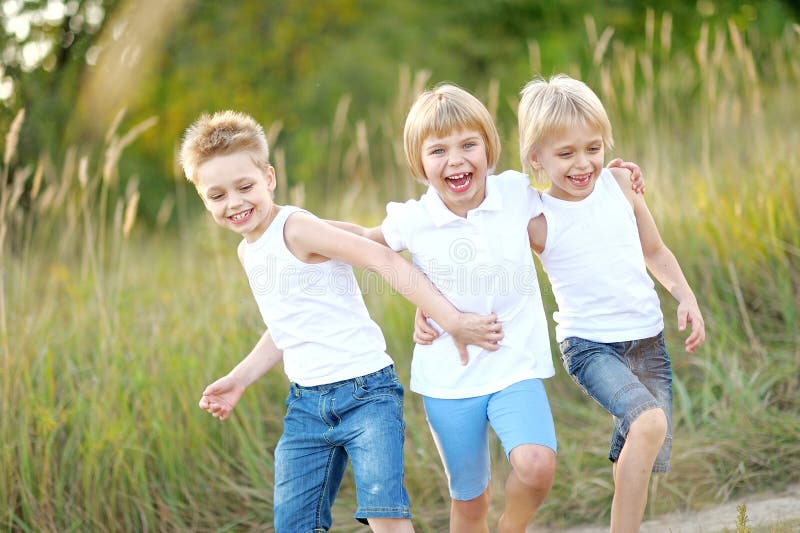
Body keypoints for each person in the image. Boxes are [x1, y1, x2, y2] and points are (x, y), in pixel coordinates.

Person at [334, 84, 643, 533]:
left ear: (489, 149)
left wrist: (616, 176)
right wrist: (294, 225)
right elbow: (365, 239)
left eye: (468, 145)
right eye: (438, 150)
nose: (456, 160)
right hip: (449, 380)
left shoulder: (516, 192)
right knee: (471, 501)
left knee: (536, 466)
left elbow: (570, 195)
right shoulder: (413, 218)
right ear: (419, 163)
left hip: (513, 364)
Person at [179, 110, 504, 533]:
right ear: (204, 200)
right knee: (294, 523)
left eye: (245, 187)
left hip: (365, 393)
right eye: (217, 195)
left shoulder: (296, 228)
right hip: (306, 407)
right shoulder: (249, 251)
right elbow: (286, 327)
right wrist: (239, 379)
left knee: (385, 514)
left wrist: (453, 319)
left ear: (269, 178)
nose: (235, 203)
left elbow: (382, 257)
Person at [518, 74, 706, 532]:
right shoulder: (536, 217)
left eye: (593, 148)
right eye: (566, 153)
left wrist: (685, 296)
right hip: (590, 345)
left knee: (644, 447)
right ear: (536, 157)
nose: (583, 163)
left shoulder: (620, 184)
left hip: (647, 338)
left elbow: (654, 251)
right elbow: (481, 245)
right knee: (647, 423)